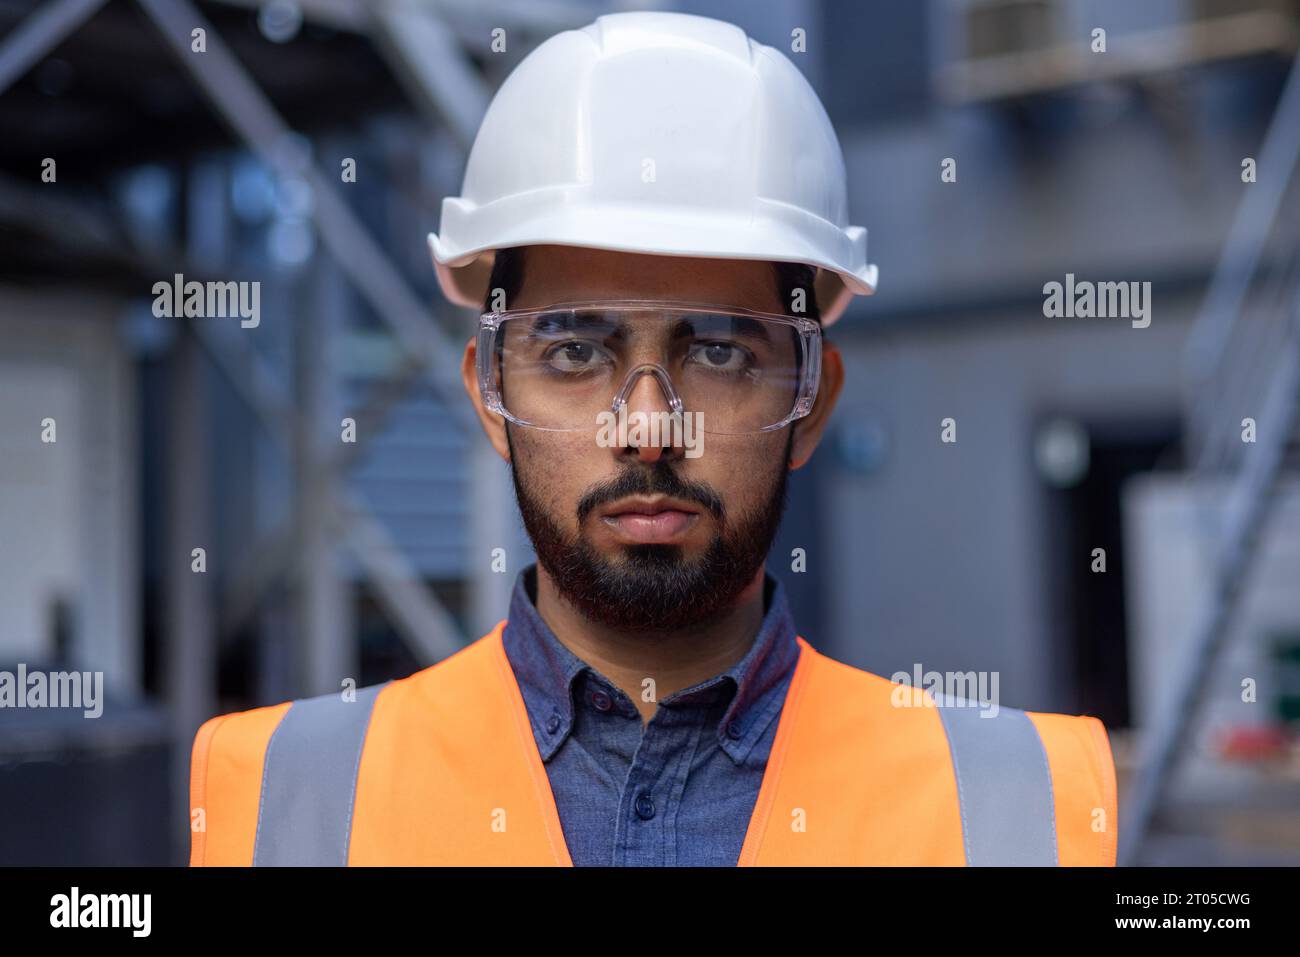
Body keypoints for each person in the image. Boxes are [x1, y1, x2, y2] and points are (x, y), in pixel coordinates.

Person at [189, 10, 1116, 867]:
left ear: (813, 399)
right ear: (488, 392)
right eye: (576, 351)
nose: (647, 427)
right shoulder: (286, 794)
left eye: (718, 352)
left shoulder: (1019, 800)